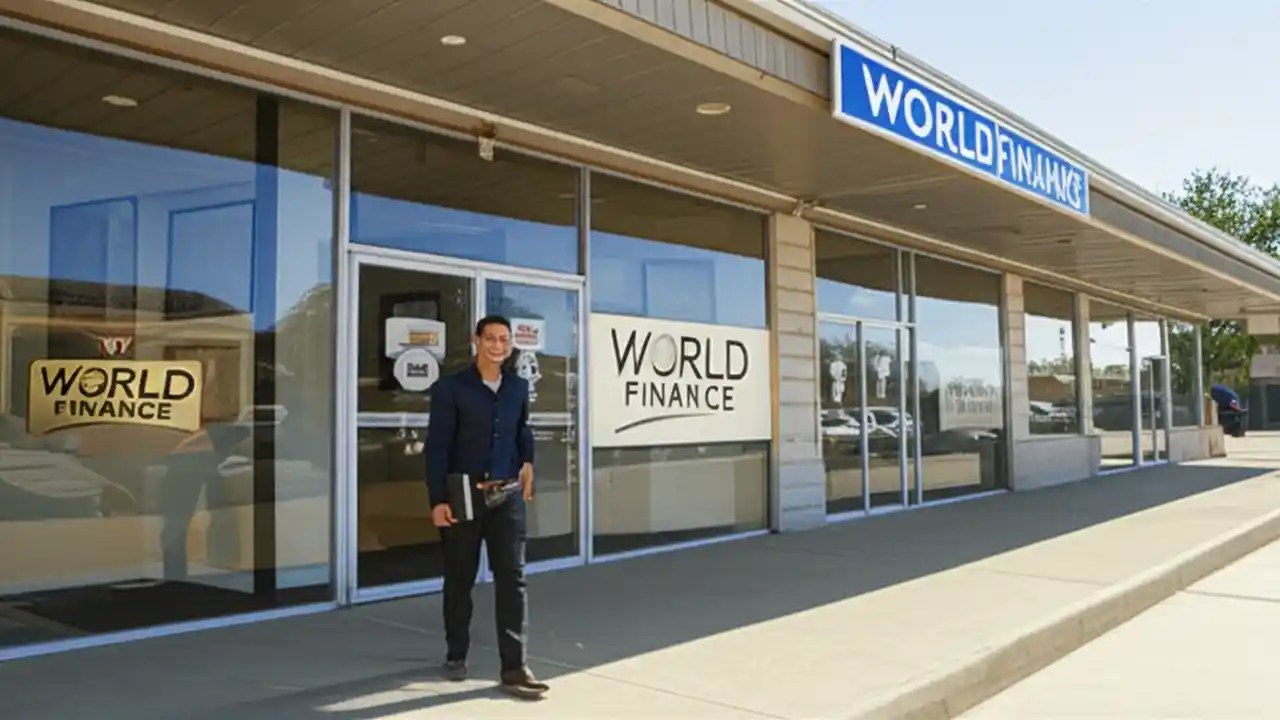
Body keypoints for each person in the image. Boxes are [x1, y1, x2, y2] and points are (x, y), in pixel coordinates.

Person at [424, 314, 549, 699]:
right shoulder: (450, 389)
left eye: (504, 339)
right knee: (460, 578)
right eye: (491, 338)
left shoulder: (517, 387)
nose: (498, 345)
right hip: (464, 494)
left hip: (507, 495)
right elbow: (438, 446)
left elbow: (521, 429)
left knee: (512, 579)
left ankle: (514, 667)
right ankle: (456, 652)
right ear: (476, 341)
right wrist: (438, 500)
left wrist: (527, 460)